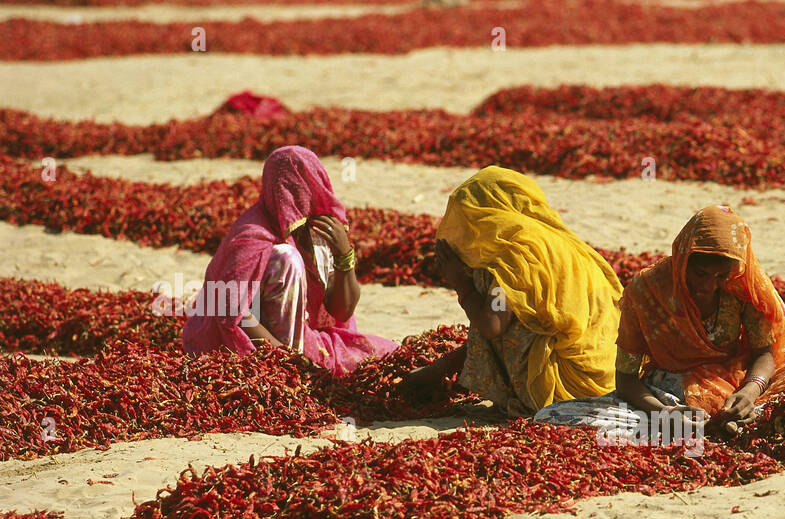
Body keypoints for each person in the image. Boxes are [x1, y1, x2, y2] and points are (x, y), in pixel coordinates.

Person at [536, 205, 785, 439]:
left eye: (720, 275)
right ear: (682, 259)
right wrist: (663, 413)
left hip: (735, 387)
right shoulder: (647, 291)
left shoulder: (740, 288)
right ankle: (718, 425)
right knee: (549, 416)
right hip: (667, 393)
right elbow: (625, 379)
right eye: (700, 273)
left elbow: (764, 353)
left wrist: (749, 392)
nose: (709, 284)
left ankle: (734, 418)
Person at [397, 166, 622, 416]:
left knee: (486, 283)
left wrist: (460, 282)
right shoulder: (556, 241)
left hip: (567, 389)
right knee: (498, 291)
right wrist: (440, 368)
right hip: (607, 377)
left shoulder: (516, 255)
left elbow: (492, 325)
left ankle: (523, 398)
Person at [181, 145, 397, 374]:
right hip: (242, 348)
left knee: (389, 352)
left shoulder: (319, 231)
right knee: (286, 257)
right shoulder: (251, 236)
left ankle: (301, 358)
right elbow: (230, 311)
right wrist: (282, 357)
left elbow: (341, 312)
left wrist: (345, 256)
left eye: (308, 185)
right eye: (290, 187)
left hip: (304, 341)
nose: (298, 196)